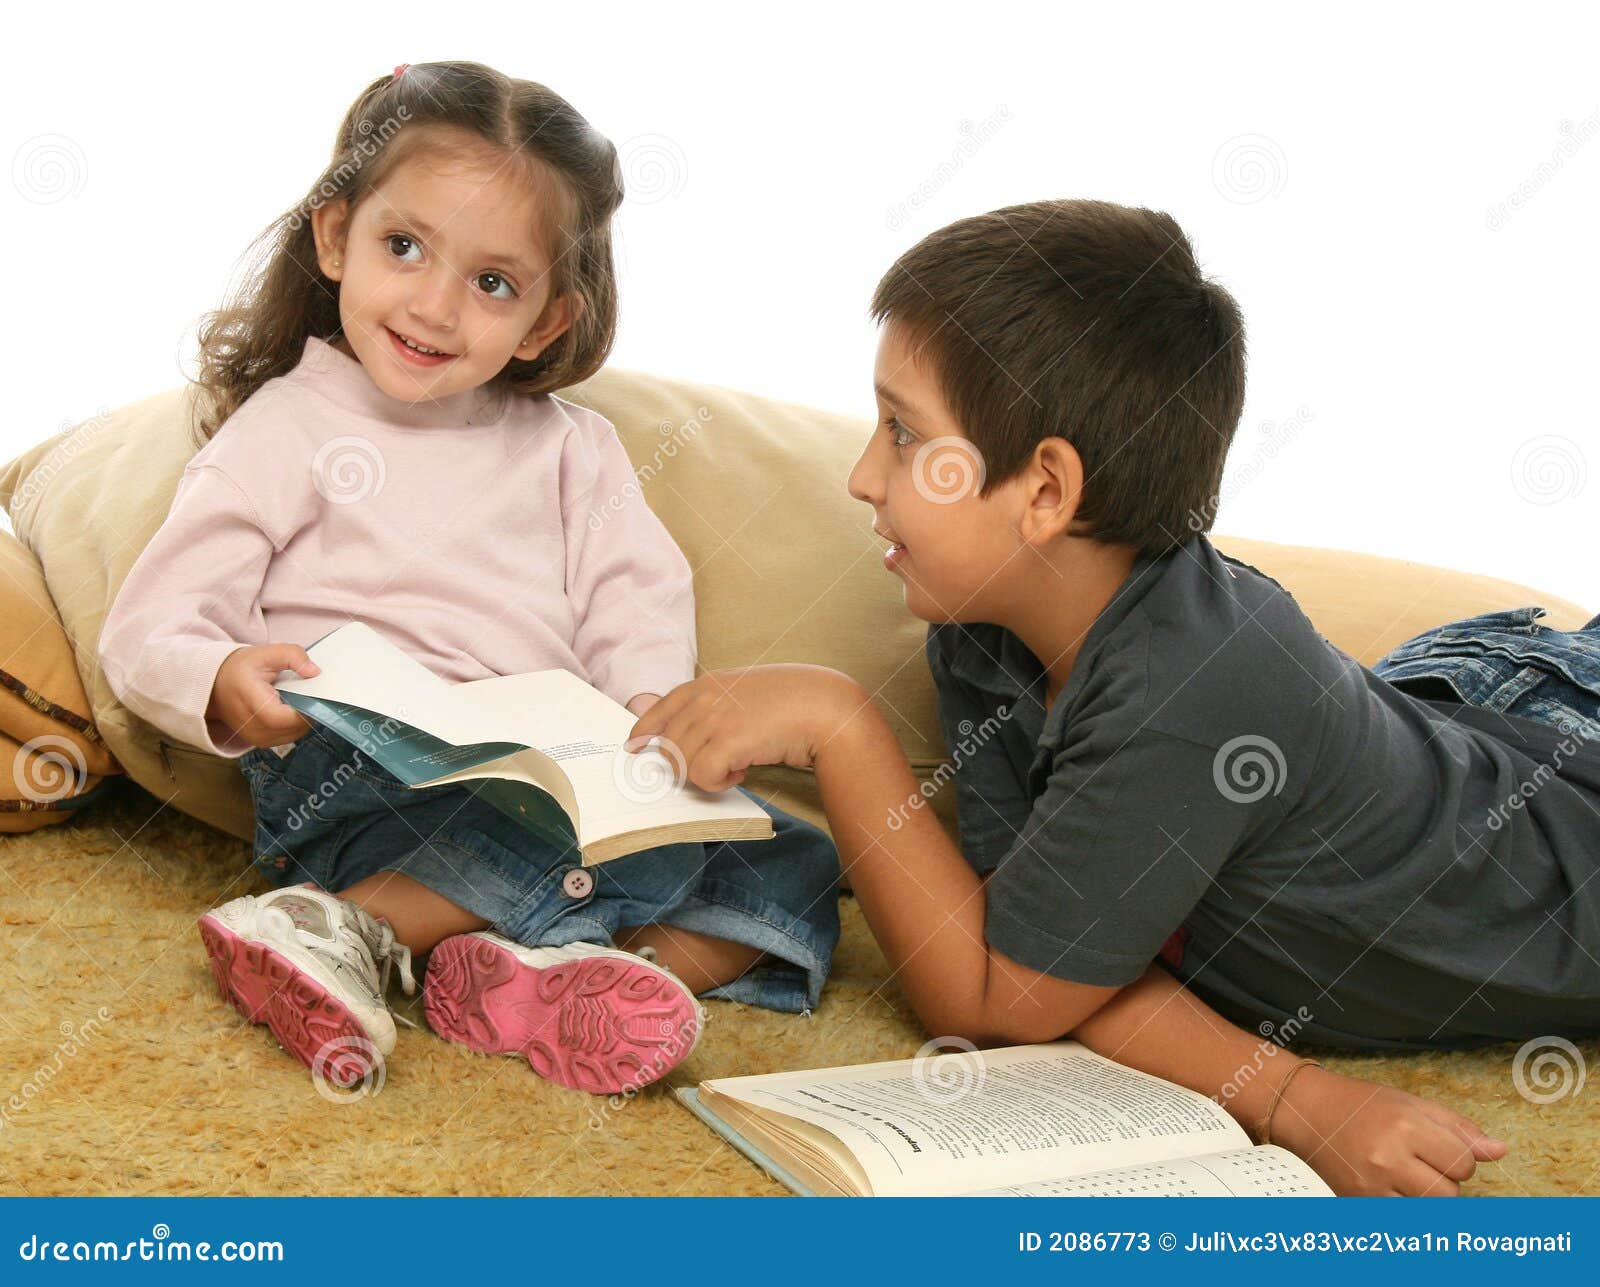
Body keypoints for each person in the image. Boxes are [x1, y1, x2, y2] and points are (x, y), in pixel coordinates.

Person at [625, 198, 1600, 1195]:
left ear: (1045, 492)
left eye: (904, 435)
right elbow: (1024, 965)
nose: (861, 477)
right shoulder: (983, 631)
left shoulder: (1186, 687)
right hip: (1452, 715)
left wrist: (839, 728)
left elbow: (991, 997)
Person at [96, 61, 839, 1097]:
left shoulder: (574, 449)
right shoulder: (287, 428)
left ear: (541, 322)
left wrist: (644, 726)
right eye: (404, 248)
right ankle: (336, 924)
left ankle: (545, 981)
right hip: (359, 769)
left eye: (493, 283)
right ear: (333, 236)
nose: (436, 307)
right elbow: (151, 623)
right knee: (542, 833)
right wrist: (221, 678)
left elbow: (636, 601)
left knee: (791, 858)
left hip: (546, 771)